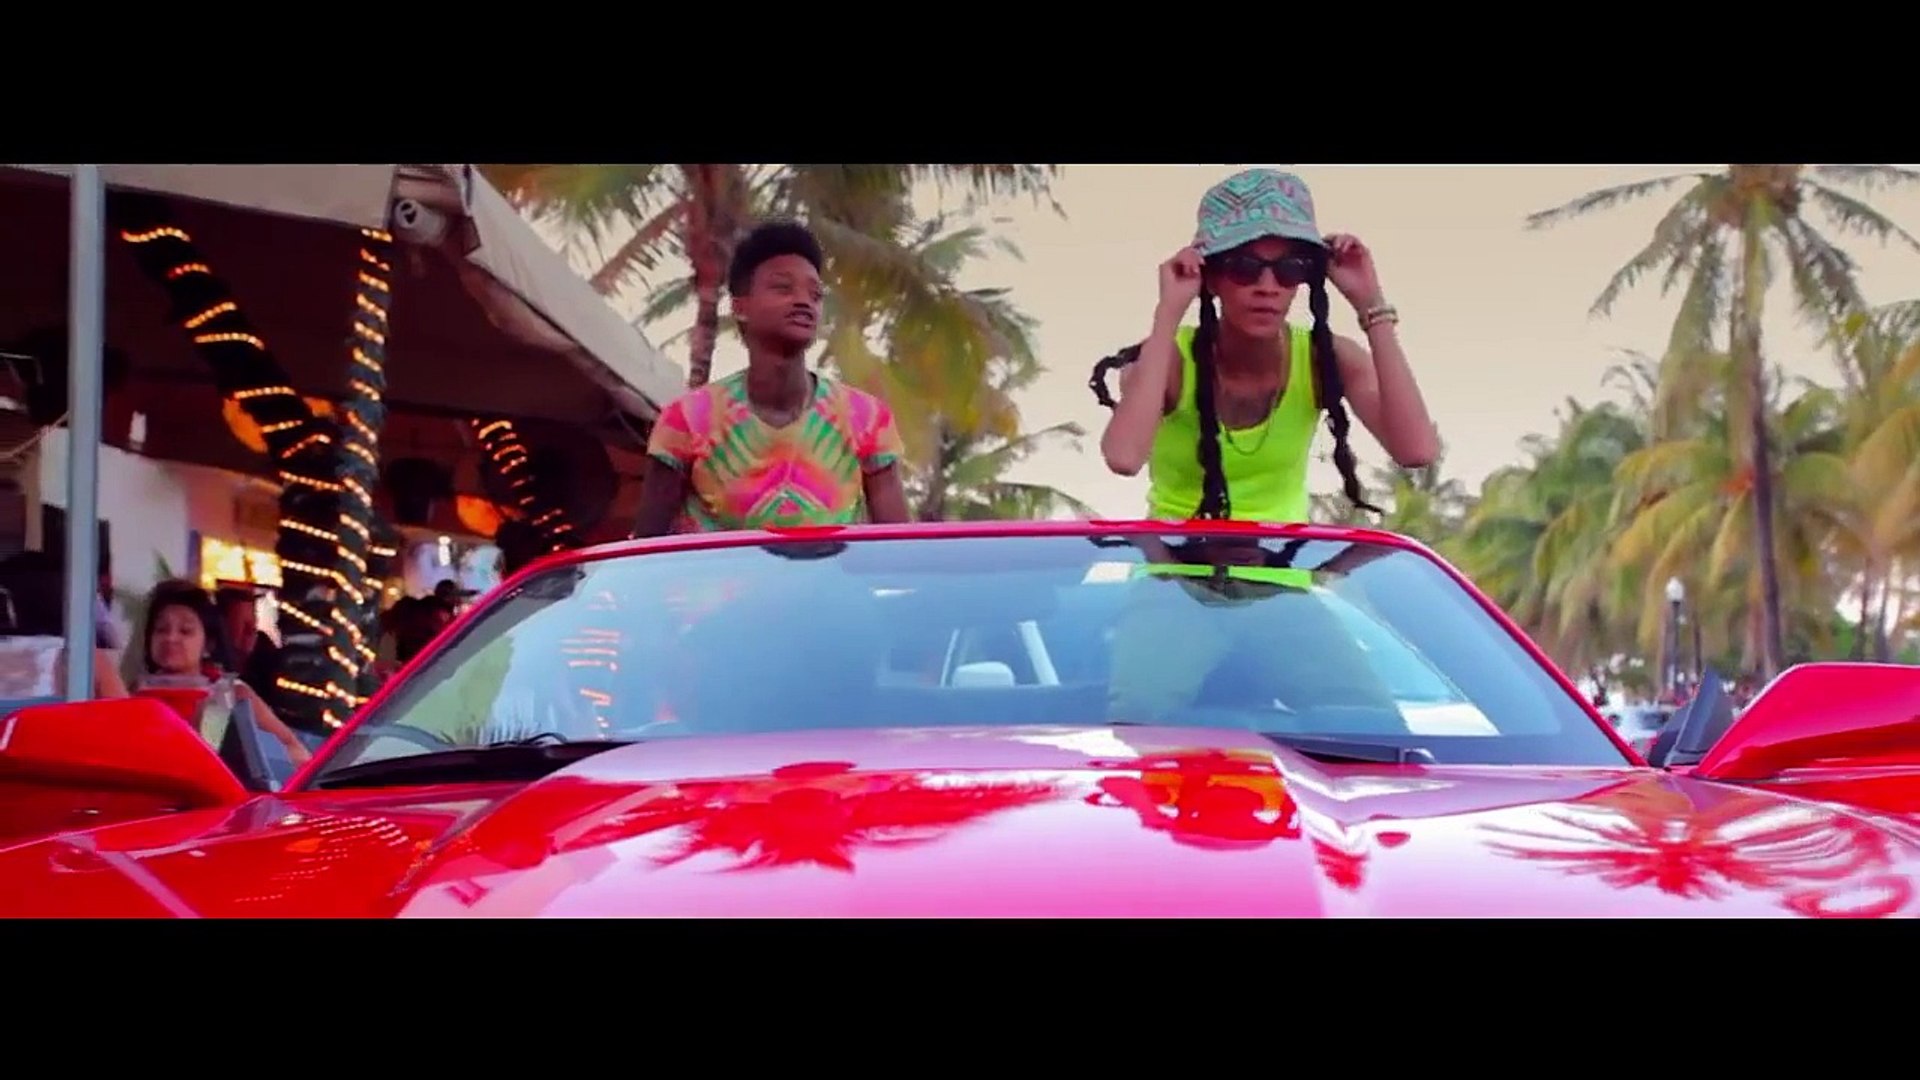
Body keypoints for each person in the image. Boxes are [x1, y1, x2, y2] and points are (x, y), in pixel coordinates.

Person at [1091, 167, 1440, 523]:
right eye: (1244, 267)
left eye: (1289, 268)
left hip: (1281, 554)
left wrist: (1371, 306)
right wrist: (1168, 312)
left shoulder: (1324, 358)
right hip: (1174, 554)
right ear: (1210, 278)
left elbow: (1417, 450)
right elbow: (1123, 457)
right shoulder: (1170, 360)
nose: (1267, 286)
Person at [630, 220, 912, 537]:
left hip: (835, 573)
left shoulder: (866, 418)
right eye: (783, 287)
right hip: (721, 573)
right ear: (740, 307)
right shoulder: (687, 420)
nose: (804, 301)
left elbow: (899, 546)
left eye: (815, 294)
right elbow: (645, 548)